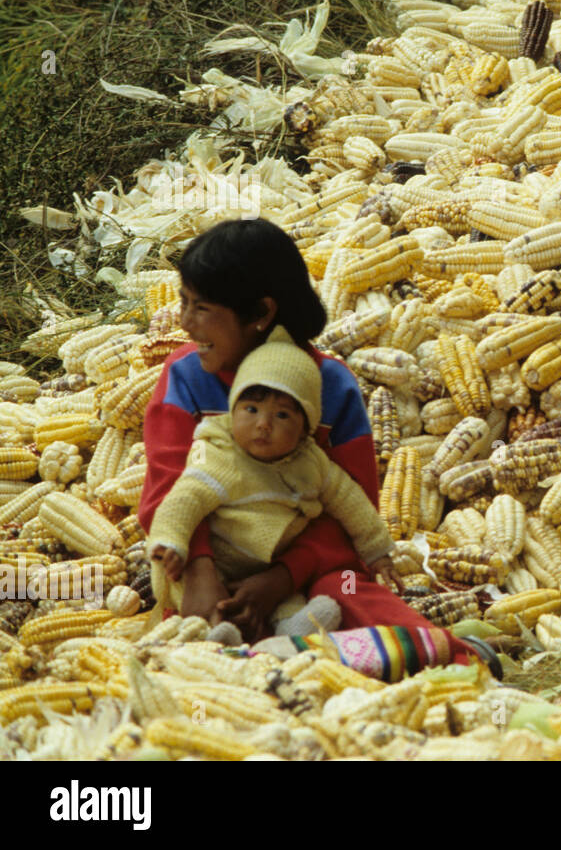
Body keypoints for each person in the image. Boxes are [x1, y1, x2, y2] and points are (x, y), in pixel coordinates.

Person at [136, 219, 490, 671]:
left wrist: (281, 578)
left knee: (348, 593)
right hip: (210, 562)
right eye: (183, 302)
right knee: (200, 635)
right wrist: (201, 571)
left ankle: (449, 657)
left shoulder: (331, 388)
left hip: (310, 568)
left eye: (201, 308)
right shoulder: (185, 376)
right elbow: (169, 489)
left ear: (260, 313)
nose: (184, 323)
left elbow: (350, 508)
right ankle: (296, 660)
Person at [148, 326, 400, 638]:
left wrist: (377, 552)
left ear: (305, 427)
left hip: (274, 568)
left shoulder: (311, 463)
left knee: (307, 599)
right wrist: (171, 542)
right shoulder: (220, 456)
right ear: (232, 411)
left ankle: (291, 631)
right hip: (216, 564)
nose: (263, 425)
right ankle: (216, 633)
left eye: (282, 416)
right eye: (251, 410)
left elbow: (351, 501)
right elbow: (183, 500)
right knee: (199, 597)